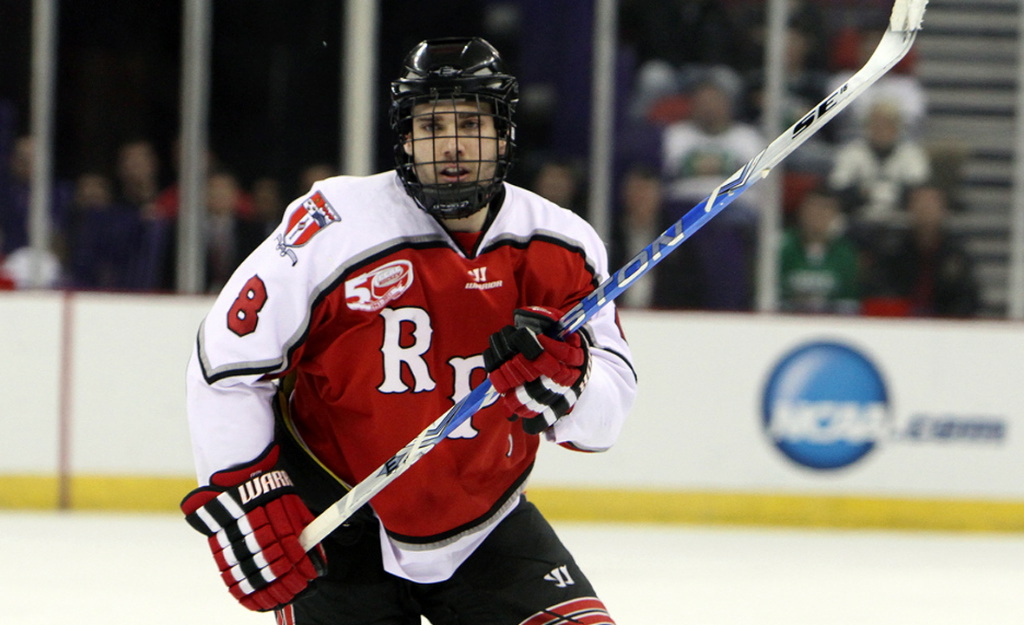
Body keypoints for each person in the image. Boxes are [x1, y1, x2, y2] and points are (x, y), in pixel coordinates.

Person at [181, 37, 636, 624]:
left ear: (503, 135)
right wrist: (245, 484)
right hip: (338, 521)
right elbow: (227, 364)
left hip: (484, 523)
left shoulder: (561, 244)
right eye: (430, 125)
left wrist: (567, 385)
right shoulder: (335, 223)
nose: (449, 145)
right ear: (404, 137)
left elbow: (605, 421)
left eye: (470, 123)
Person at [866, 183, 980, 318]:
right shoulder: (893, 251)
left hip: (945, 328)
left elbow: (968, 297)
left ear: (943, 209)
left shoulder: (957, 255)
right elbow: (880, 290)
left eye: (931, 203)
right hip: (900, 325)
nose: (925, 209)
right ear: (910, 208)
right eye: (920, 202)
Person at [778, 186, 860, 315]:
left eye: (826, 209)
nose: (818, 214)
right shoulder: (781, 248)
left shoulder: (845, 254)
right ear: (802, 210)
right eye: (813, 207)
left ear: (836, 215)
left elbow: (849, 303)